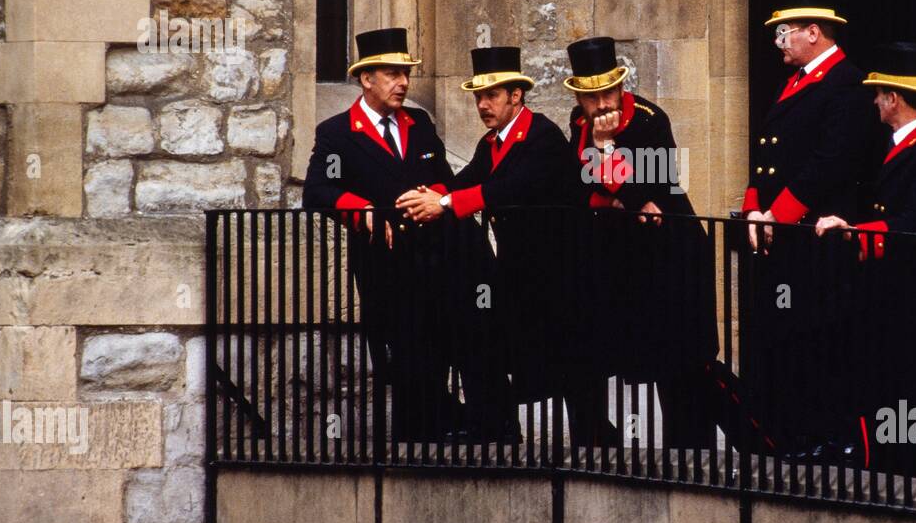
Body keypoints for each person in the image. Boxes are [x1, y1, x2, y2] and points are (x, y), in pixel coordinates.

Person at [398, 46, 617, 447]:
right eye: (479, 97)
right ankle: (496, 428)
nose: (482, 105)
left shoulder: (541, 137)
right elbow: (468, 178)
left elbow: (505, 188)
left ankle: (598, 448)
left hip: (569, 275)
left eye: (491, 96)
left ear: (516, 95)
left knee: (576, 372)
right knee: (495, 345)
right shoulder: (493, 142)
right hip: (529, 276)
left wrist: (443, 204)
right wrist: (427, 194)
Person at [740, 0, 882, 456]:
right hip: (784, 234)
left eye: (785, 33)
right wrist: (751, 210)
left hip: (816, 237)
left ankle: (828, 437)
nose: (779, 42)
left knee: (819, 336)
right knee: (786, 336)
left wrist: (776, 216)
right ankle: (790, 433)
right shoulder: (799, 80)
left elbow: (830, 162)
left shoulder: (846, 84)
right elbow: (767, 154)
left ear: (814, 33)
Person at [302, 27, 460, 444]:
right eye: (392, 73)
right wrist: (362, 210)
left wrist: (434, 196)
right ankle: (416, 435)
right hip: (381, 260)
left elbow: (446, 181)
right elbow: (318, 190)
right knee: (397, 347)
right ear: (365, 78)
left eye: (405, 73)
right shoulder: (338, 132)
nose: (403, 82)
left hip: (430, 253)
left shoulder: (420, 123)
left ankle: (432, 431)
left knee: (434, 341)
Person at [815, 41, 916, 476]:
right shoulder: (900, 147)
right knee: (880, 382)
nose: (875, 101)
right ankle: (881, 468)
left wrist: (861, 233)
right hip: (887, 294)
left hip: (914, 298)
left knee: (912, 387)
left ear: (893, 98)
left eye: (879, 93)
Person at [563, 36, 720, 449]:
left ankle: (690, 451)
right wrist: (613, 194)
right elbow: (578, 189)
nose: (600, 106)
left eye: (607, 94)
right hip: (620, 263)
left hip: (670, 256)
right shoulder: (577, 125)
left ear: (620, 87)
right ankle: (596, 441)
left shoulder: (651, 120)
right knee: (590, 354)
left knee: (678, 363)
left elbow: (655, 188)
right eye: (590, 97)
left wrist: (605, 152)